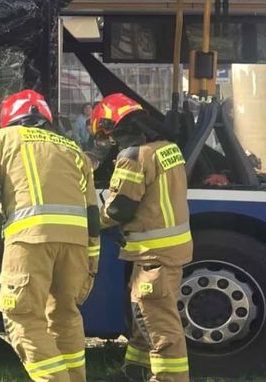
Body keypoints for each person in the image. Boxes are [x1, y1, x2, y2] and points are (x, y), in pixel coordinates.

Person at [0, 89, 99, 382]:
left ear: (9, 118)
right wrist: (92, 262)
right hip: (76, 245)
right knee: (65, 314)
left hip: (29, 241)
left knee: (23, 317)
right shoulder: (73, 149)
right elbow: (93, 215)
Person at [90, 93, 192, 382]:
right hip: (167, 250)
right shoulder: (167, 148)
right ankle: (134, 371)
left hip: (153, 253)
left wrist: (92, 219)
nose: (109, 142)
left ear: (115, 127)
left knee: (159, 325)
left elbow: (121, 207)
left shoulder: (133, 156)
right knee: (142, 314)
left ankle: (168, 378)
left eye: (107, 134)